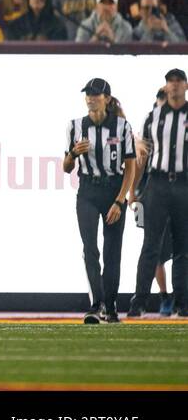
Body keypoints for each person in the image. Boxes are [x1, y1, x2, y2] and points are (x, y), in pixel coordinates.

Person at [65, 78, 136, 324]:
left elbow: (130, 167)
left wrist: (119, 201)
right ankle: (96, 304)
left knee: (112, 251)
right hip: (87, 190)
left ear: (106, 98)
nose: (91, 98)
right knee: (90, 249)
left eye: (96, 94)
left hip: (113, 190)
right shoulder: (75, 126)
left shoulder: (122, 127)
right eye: (88, 94)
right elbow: (66, 167)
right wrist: (74, 153)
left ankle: (111, 303)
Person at [129, 68, 188, 318]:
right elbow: (141, 156)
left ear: (185, 85)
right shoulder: (153, 117)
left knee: (183, 248)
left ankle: (182, 302)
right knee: (150, 245)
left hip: (185, 183)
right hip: (158, 183)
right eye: (170, 82)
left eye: (178, 82)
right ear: (165, 86)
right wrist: (133, 190)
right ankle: (139, 301)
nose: (174, 86)